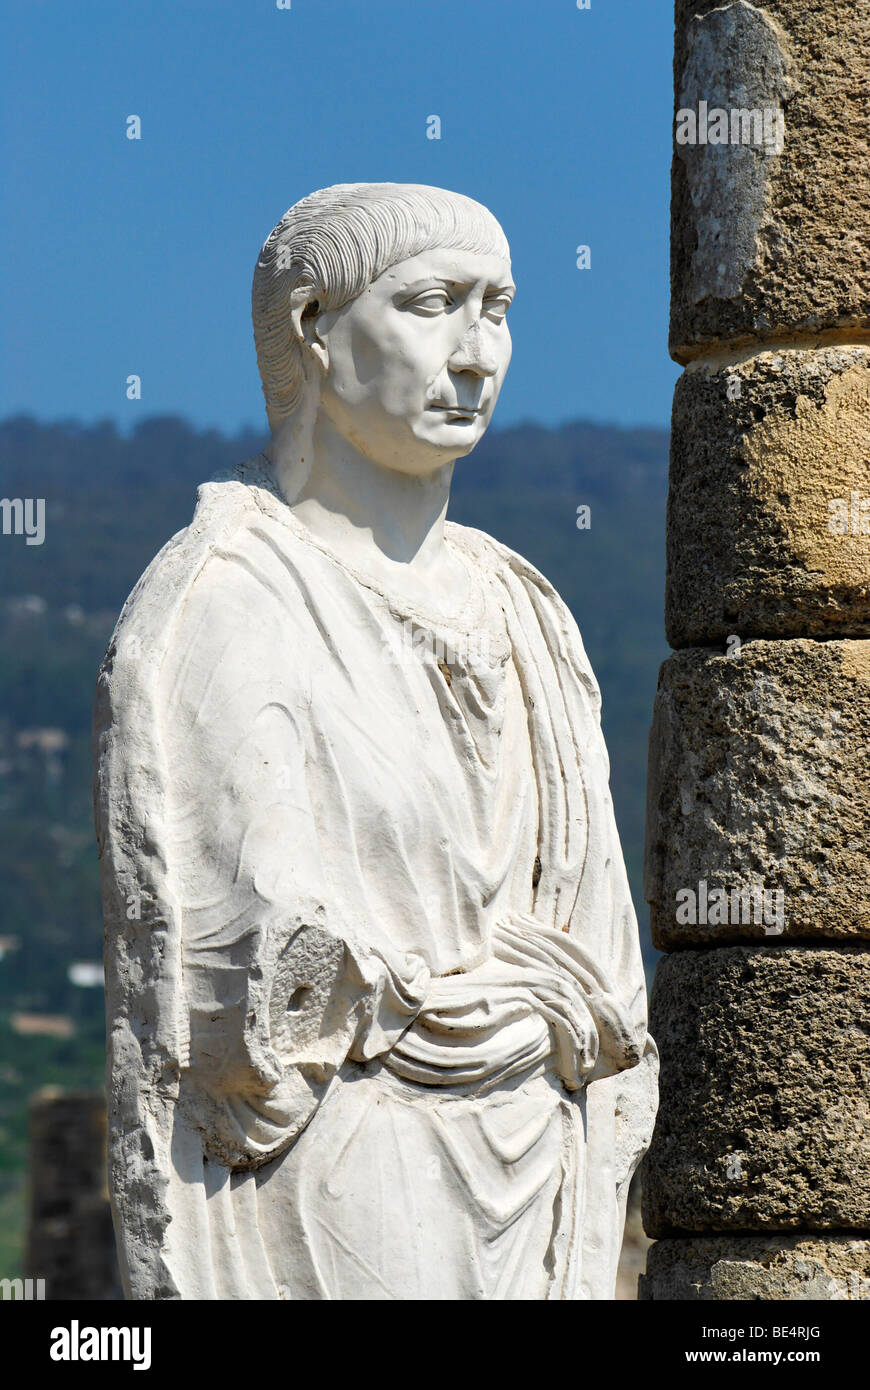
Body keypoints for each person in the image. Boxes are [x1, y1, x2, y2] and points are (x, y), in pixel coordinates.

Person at [94, 183, 657, 1300]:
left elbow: (602, 964)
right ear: (312, 327)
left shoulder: (527, 608)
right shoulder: (230, 600)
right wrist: (461, 1001)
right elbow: (232, 991)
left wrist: (542, 1005)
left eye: (497, 307)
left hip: (548, 1162)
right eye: (432, 303)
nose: (477, 351)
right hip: (351, 1181)